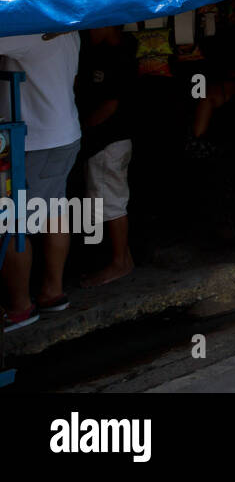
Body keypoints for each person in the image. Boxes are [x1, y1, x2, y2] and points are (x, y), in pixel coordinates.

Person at [0, 32, 81, 332]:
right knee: (55, 214)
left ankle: (20, 307)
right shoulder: (69, 29)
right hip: (65, 133)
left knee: (11, 223)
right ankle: (51, 292)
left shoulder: (30, 31)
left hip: (34, 142)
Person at [76, 25, 138, 287]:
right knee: (109, 200)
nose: (89, 29)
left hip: (109, 142)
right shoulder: (107, 52)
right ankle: (121, 257)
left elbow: (110, 105)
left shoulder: (118, 56)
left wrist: (83, 127)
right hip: (108, 141)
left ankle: (119, 262)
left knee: (110, 203)